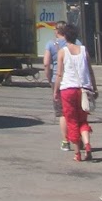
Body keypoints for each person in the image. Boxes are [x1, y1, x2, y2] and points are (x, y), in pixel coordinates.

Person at [52, 22, 96, 162]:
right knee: (83, 119)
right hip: (84, 89)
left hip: (68, 89)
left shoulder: (62, 52)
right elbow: (90, 70)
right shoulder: (83, 50)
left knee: (72, 121)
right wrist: (94, 88)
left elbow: (59, 74)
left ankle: (77, 153)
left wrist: (55, 91)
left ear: (65, 36)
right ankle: (87, 145)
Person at [43, 21, 70, 152]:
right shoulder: (76, 43)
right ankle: (80, 140)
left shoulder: (50, 44)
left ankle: (66, 141)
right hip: (74, 81)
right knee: (76, 112)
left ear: (57, 31)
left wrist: (49, 79)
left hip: (57, 80)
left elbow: (46, 64)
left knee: (62, 113)